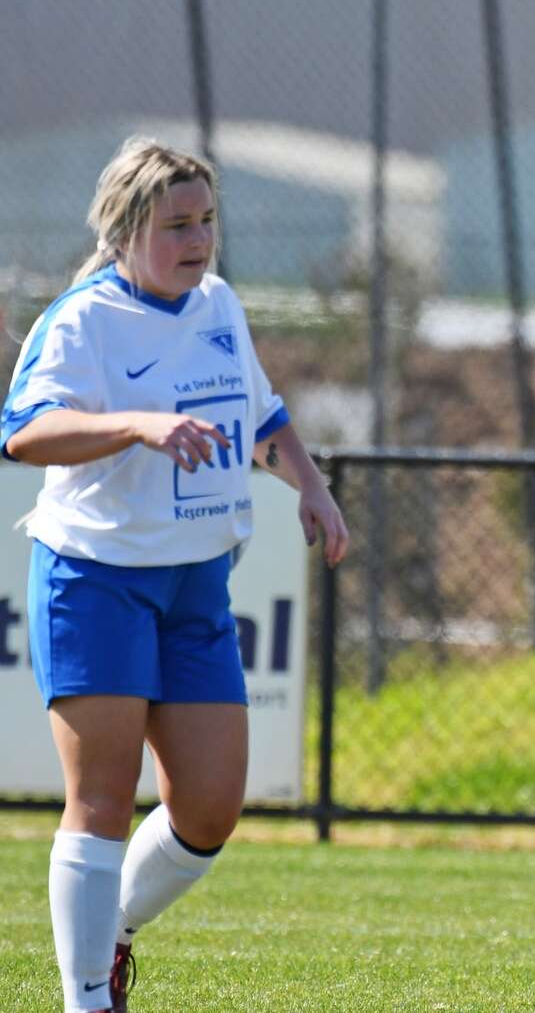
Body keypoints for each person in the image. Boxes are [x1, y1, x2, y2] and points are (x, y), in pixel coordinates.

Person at [3, 137, 350, 1013]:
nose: (198, 240)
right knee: (103, 801)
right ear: (125, 229)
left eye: (207, 221)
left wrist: (310, 485)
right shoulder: (83, 321)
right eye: (177, 224)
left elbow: (263, 414)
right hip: (97, 579)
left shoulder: (219, 303)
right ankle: (86, 999)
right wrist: (134, 425)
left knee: (209, 809)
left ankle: (105, 934)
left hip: (195, 584)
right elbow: (24, 435)